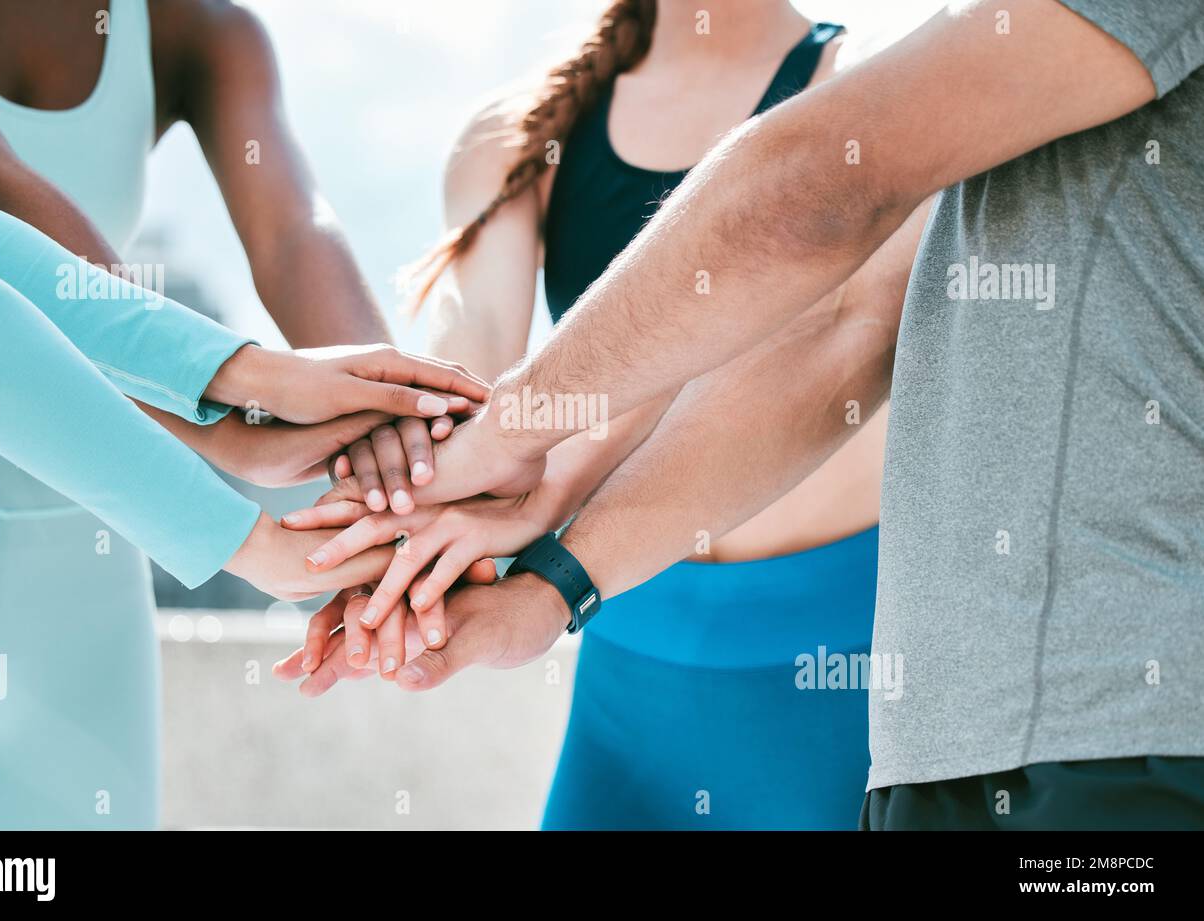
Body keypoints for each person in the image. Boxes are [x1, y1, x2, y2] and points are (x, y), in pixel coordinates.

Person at [284, 0, 1204, 830]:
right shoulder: (526, 134)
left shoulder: (885, 69)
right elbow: (836, 330)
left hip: (985, 694)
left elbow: (823, 243)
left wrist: (513, 446)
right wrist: (461, 538)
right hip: (847, 713)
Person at [286, 0, 890, 830]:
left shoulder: (869, 88)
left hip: (847, 672)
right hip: (624, 668)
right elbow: (467, 392)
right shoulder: (515, 135)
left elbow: (821, 341)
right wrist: (396, 523)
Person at [0, 0, 478, 828]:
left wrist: (397, 446)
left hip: (84, 576)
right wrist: (226, 420)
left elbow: (292, 232)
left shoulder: (196, 30)